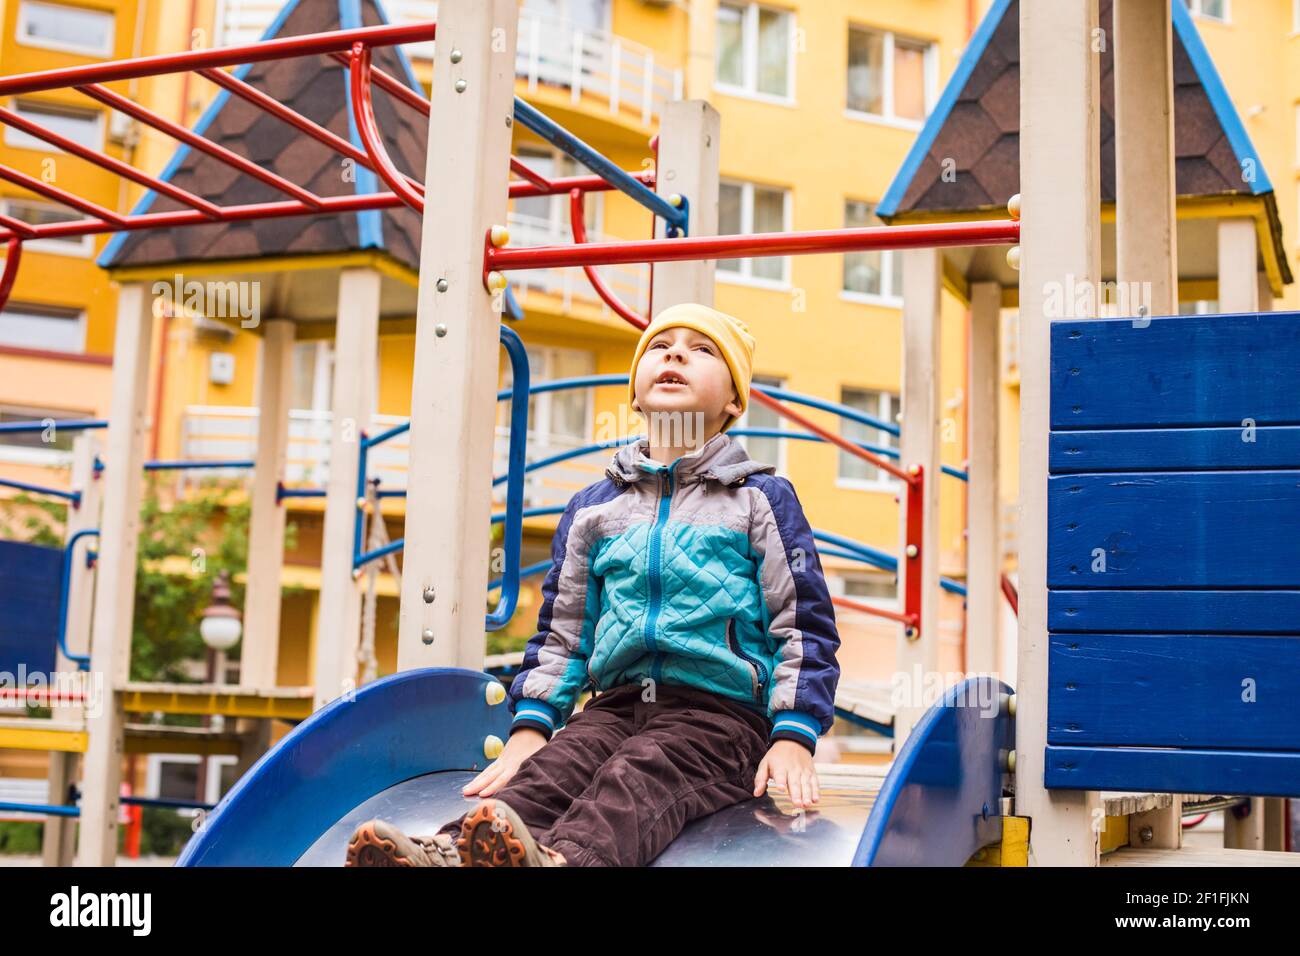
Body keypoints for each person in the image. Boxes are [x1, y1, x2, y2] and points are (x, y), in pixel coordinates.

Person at [345, 302, 841, 867]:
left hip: (722, 720)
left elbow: (802, 624)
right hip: (618, 705)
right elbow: (564, 633)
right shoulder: (595, 508)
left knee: (638, 774)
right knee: (552, 772)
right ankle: (451, 855)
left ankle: (569, 861)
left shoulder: (759, 500)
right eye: (660, 346)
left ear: (733, 401)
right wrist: (534, 724)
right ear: (635, 391)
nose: (675, 352)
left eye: (702, 350)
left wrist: (794, 733)